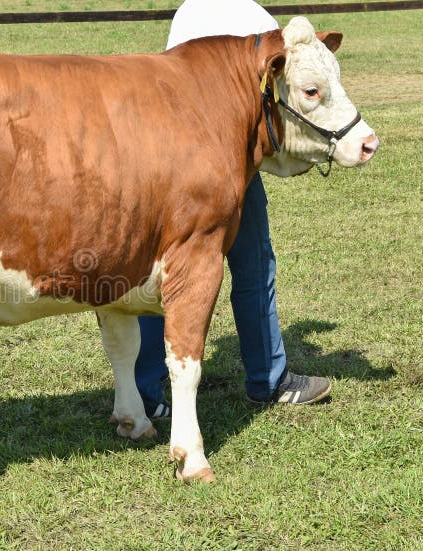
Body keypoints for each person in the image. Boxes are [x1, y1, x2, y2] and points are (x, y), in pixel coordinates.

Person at [137, 0, 332, 419]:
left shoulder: (188, 12)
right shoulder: (255, 17)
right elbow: (278, 94)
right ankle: (268, 379)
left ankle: (145, 393)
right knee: (254, 268)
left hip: (171, 160)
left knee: (156, 272)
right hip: (231, 161)